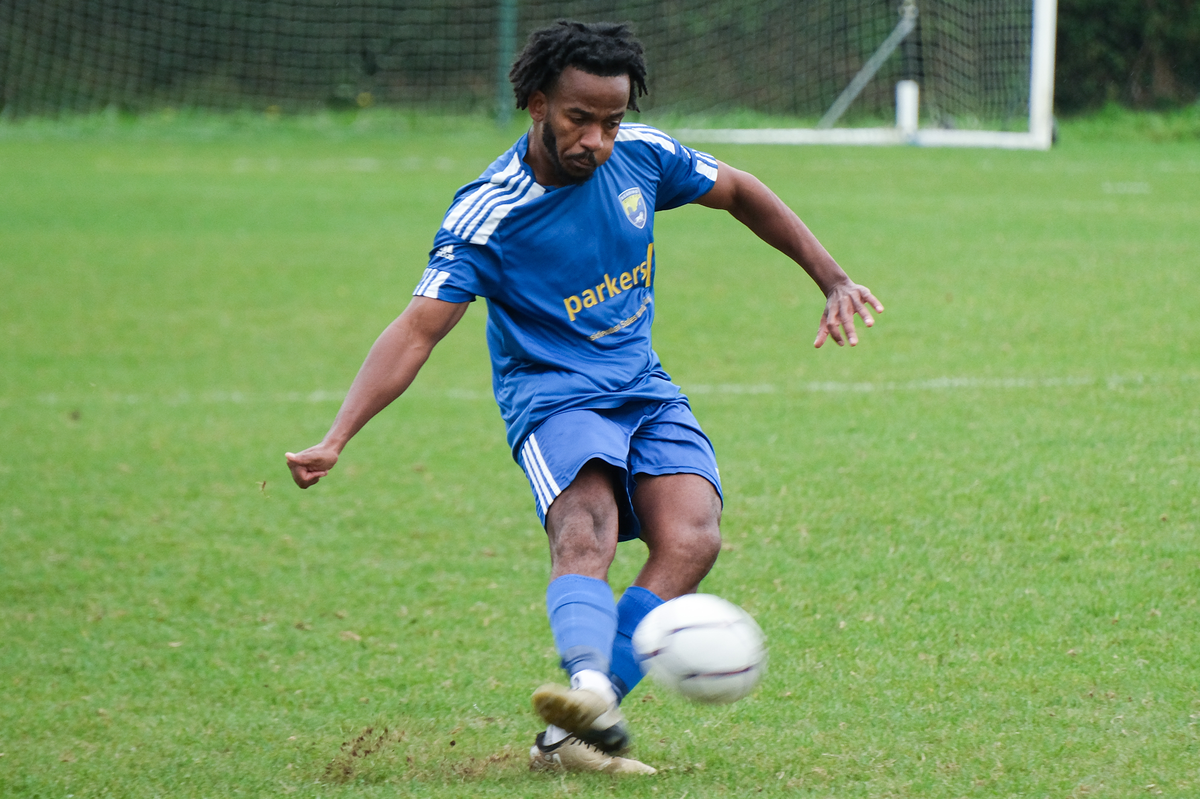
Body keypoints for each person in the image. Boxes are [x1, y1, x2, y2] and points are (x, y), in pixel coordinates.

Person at [286, 19, 882, 775]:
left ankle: (575, 723)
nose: (597, 139)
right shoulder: (490, 211)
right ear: (537, 104)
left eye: (611, 120)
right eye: (579, 119)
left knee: (694, 537)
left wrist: (830, 276)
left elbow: (739, 191)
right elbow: (415, 331)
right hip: (553, 398)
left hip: (643, 386)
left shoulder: (641, 157)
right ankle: (591, 689)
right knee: (586, 533)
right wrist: (339, 434)